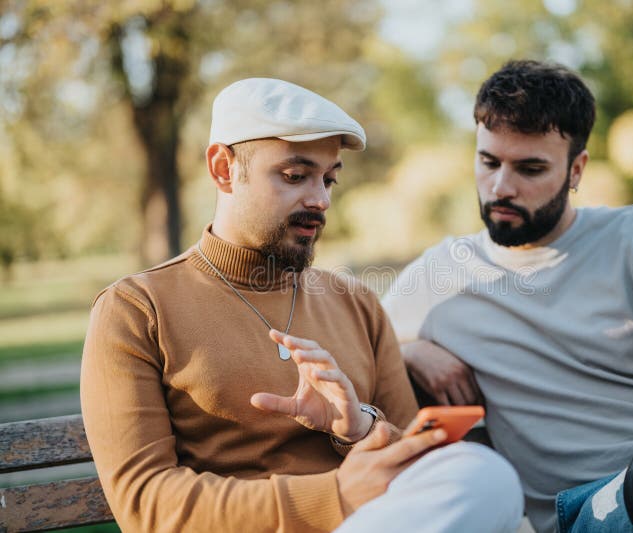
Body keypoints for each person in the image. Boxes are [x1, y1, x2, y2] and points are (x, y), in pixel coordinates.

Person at [80, 78, 523, 533]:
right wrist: (336, 496)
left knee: (482, 473)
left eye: (329, 178)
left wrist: (360, 428)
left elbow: (418, 462)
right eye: (295, 176)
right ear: (222, 168)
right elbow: (144, 503)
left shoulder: (357, 304)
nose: (321, 199)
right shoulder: (135, 310)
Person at [382, 60, 633, 533]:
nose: (501, 186)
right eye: (489, 162)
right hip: (586, 515)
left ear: (576, 169)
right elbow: (358, 346)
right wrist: (410, 349)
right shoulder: (441, 274)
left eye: (530, 168)